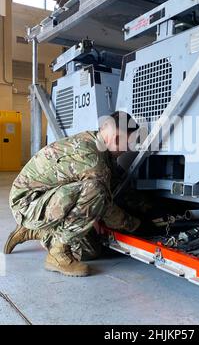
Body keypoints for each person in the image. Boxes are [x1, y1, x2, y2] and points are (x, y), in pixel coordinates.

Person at [4, 112, 142, 277]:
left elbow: (112, 189)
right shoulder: (93, 158)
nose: (124, 148)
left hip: (44, 197)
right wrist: (134, 225)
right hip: (27, 203)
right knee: (97, 190)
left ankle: (34, 231)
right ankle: (58, 253)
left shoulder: (97, 145)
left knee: (90, 251)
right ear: (113, 135)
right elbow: (106, 206)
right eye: (125, 143)